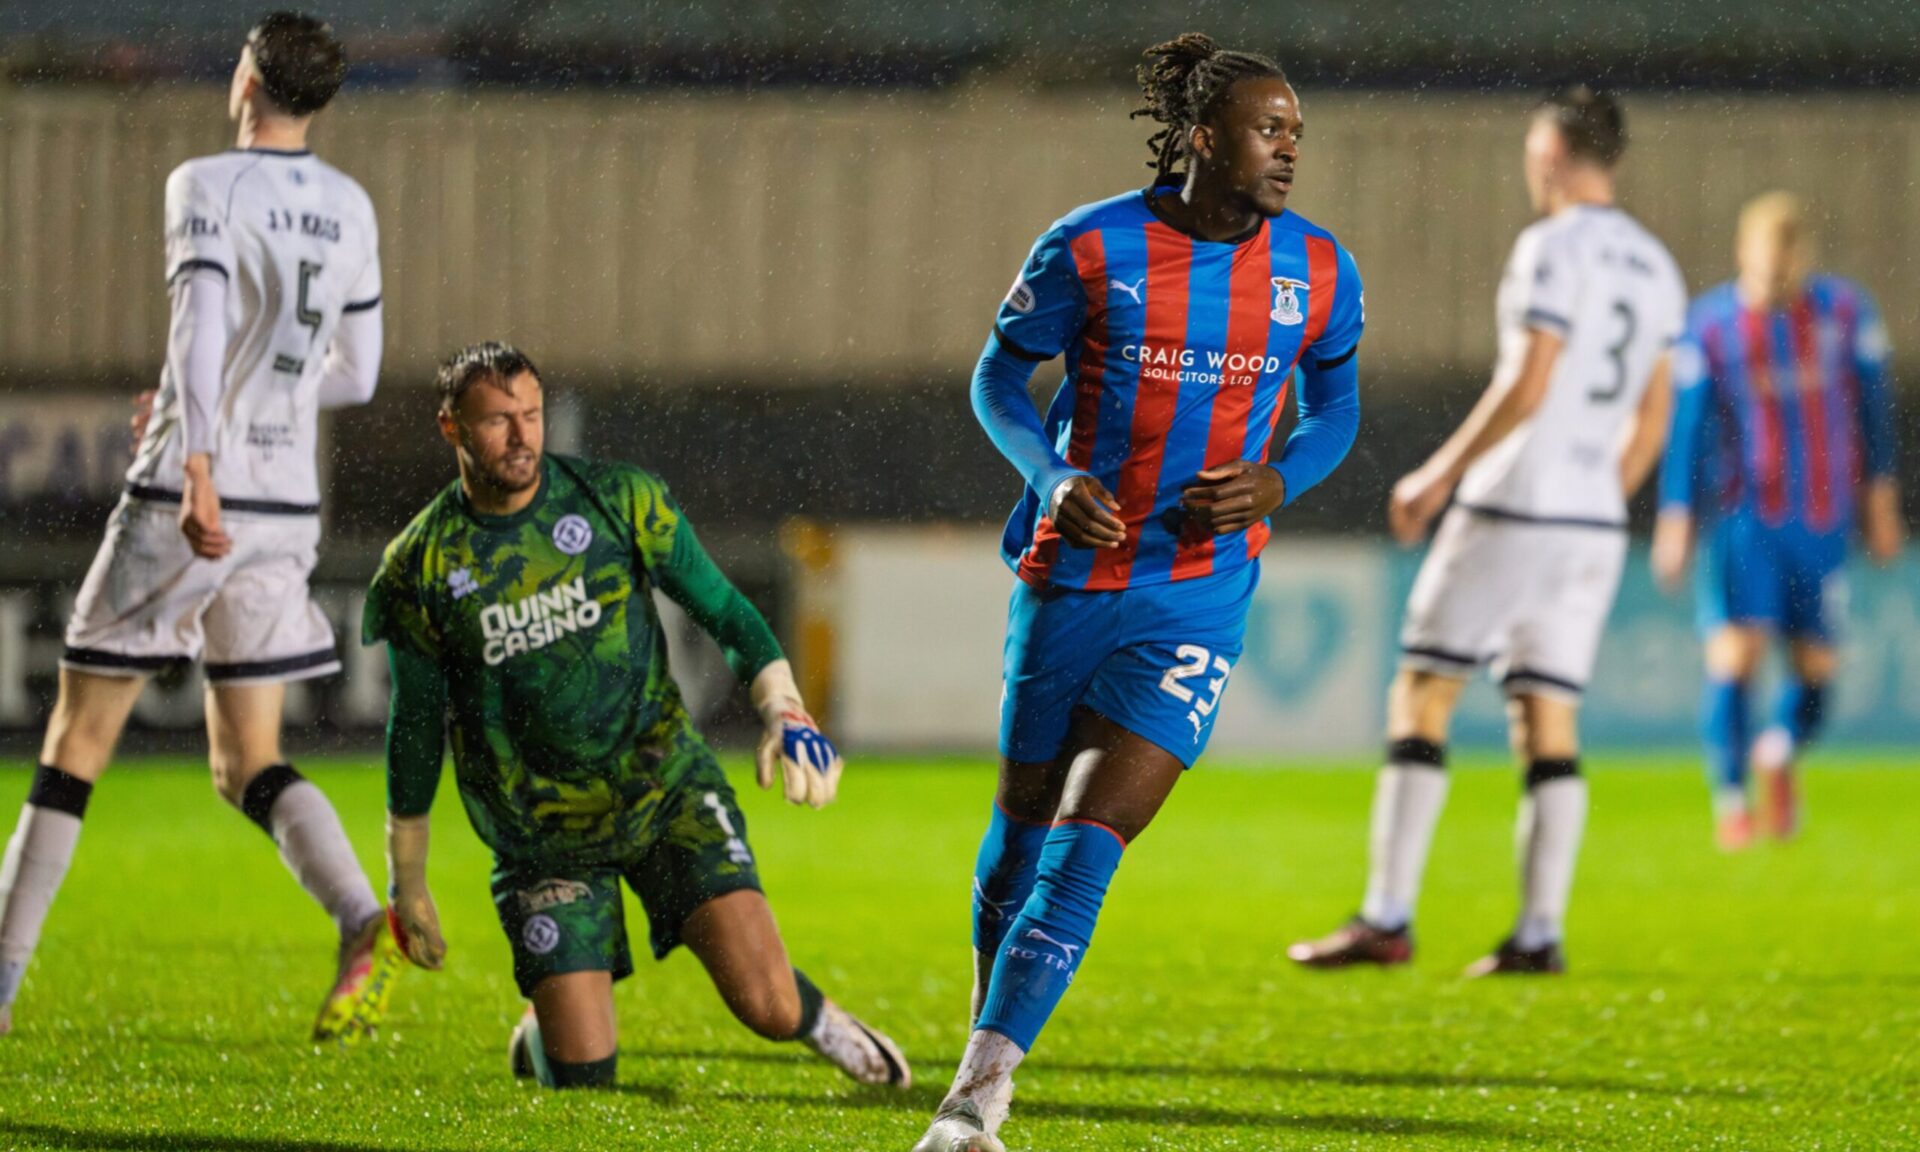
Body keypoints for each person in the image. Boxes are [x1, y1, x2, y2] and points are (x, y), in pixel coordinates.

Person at [913, 33, 1365, 1152]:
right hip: (1071, 582)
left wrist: (1279, 478)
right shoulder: (1091, 246)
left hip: (1198, 595)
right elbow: (997, 379)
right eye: (1270, 129)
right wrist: (1052, 474)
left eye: (1297, 133)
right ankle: (987, 1029)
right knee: (1019, 829)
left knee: (1089, 831)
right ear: (1203, 137)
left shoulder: (1320, 270)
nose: (1289, 150)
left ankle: (977, 1098)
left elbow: (1337, 411)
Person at [363, 342, 909, 1091]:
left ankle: (817, 1020)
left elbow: (724, 611)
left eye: (532, 415)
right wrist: (407, 879)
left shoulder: (617, 499)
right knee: (584, 1080)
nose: (523, 437)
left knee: (767, 1007)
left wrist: (785, 710)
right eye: (498, 422)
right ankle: (551, 1015)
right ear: (452, 429)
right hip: (539, 834)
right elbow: (416, 728)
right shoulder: (418, 564)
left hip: (663, 791)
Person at [0, 13, 396, 1041]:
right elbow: (354, 373)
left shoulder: (205, 183)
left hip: (196, 498)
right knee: (244, 762)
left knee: (74, 742)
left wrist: (200, 458)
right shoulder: (352, 207)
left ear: (249, 80)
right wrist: (225, 407)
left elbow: (202, 321)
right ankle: (361, 914)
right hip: (289, 509)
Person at [1288, 87, 1685, 977]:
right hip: (1591, 517)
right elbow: (1655, 416)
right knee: (1548, 715)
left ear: (1548, 154)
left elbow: (1530, 380)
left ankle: (1386, 917)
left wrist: (1440, 474)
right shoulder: (1657, 265)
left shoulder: (1551, 246)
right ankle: (1539, 932)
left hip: (1515, 503)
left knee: (1422, 694)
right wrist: (1594, 498)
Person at [1651, 192, 1903, 849]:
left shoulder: (1847, 314)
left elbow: (1875, 411)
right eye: (1764, 272)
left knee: (1817, 668)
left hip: (1822, 518)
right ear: (1743, 256)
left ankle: (1779, 749)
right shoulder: (1708, 326)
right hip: (1743, 518)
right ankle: (1733, 801)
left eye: (1785, 270)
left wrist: (1881, 501)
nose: (1773, 284)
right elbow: (1687, 428)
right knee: (1735, 654)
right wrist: (1676, 518)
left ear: (1805, 260)